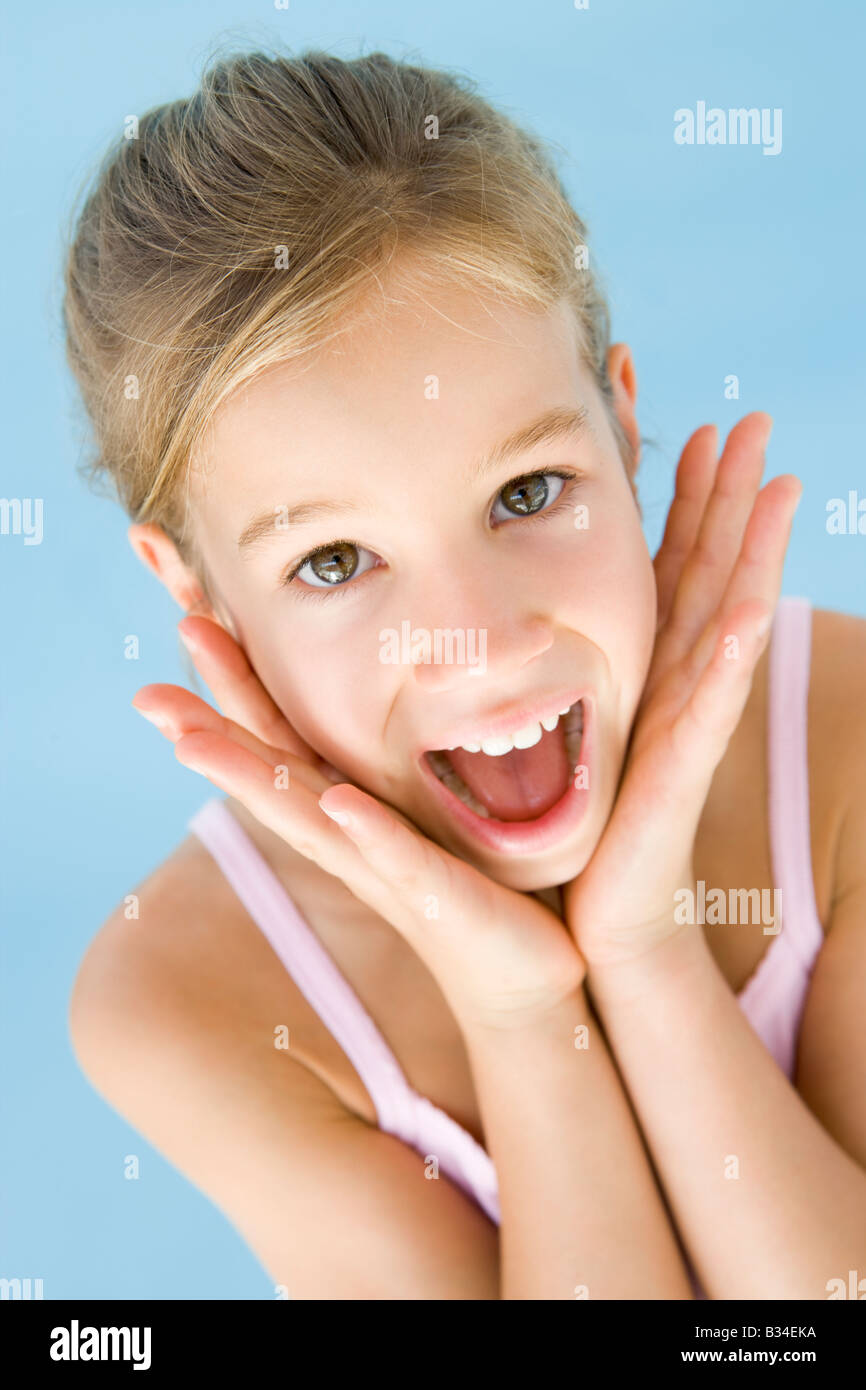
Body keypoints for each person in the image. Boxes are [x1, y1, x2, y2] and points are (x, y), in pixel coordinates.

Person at [64, 47, 866, 1300]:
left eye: (526, 491)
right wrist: (520, 1018)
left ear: (623, 424)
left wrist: (650, 951)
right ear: (196, 590)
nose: (479, 645)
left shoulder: (841, 747)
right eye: (334, 561)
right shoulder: (184, 994)